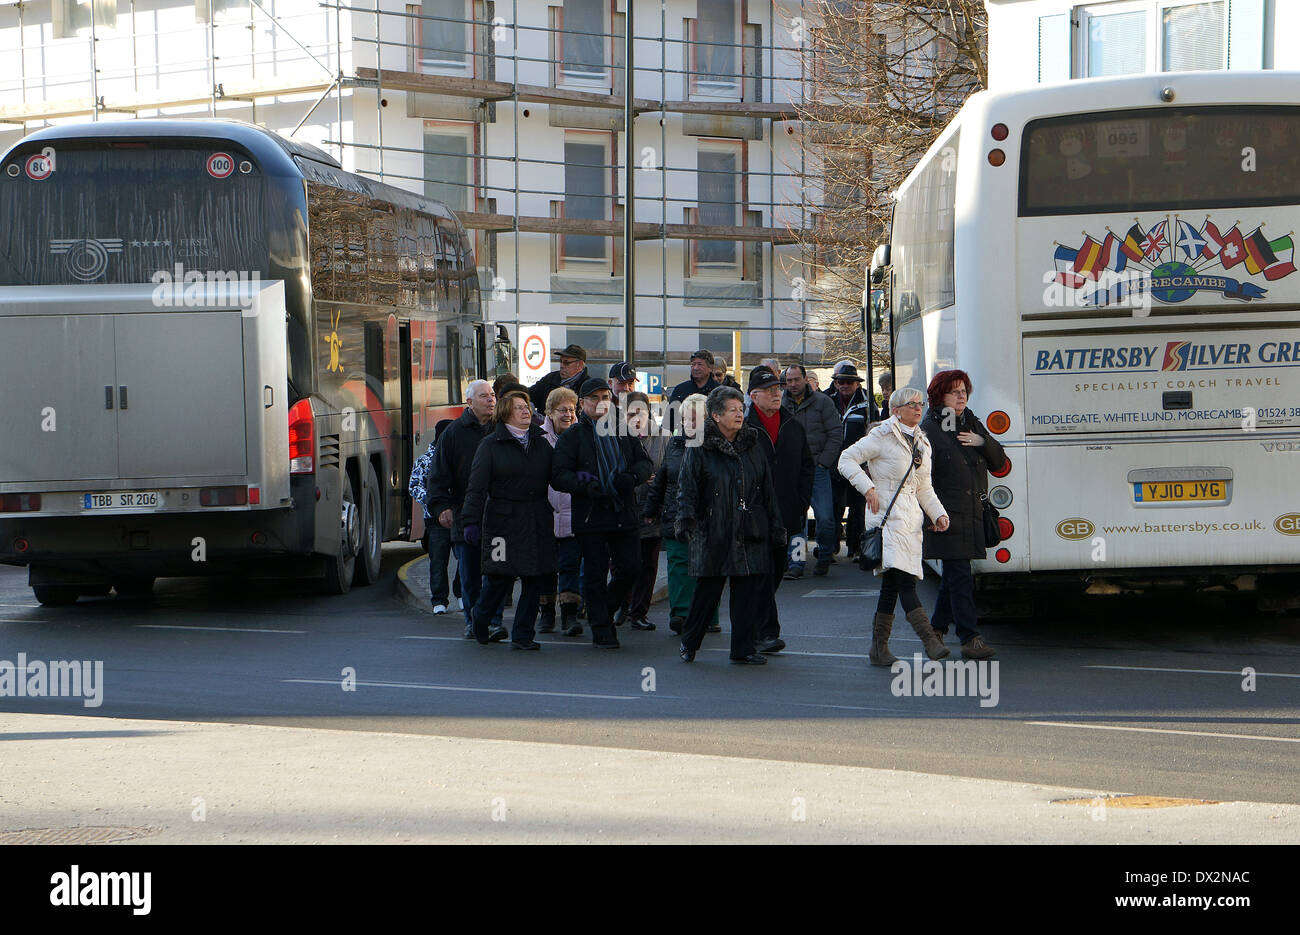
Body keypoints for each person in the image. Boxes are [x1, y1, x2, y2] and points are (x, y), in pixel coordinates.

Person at [838, 387, 951, 666]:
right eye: (912, 404)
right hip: (886, 518)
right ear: (896, 409)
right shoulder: (881, 435)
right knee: (904, 580)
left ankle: (878, 649)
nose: (918, 408)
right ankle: (930, 641)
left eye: (920, 403)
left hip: (910, 520)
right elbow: (846, 459)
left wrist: (938, 514)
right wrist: (868, 488)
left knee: (891, 585)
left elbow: (924, 486)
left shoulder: (922, 441)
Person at [676, 386, 786, 666]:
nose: (740, 414)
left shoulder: (753, 443)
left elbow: (767, 489)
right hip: (714, 530)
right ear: (716, 415)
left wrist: (775, 526)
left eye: (741, 409)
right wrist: (686, 520)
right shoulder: (699, 445)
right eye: (733, 410)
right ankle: (689, 642)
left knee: (747, 593)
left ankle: (743, 649)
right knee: (707, 593)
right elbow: (687, 488)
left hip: (751, 528)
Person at [550, 379, 652, 649]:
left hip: (623, 509)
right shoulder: (573, 436)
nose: (600, 402)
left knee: (631, 567)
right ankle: (601, 629)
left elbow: (645, 463)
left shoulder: (623, 431)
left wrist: (631, 477)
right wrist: (585, 485)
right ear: (582, 403)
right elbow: (559, 475)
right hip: (591, 513)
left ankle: (603, 611)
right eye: (593, 397)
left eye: (605, 396)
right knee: (595, 573)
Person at [462, 387, 557, 649]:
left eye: (527, 407)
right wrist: (470, 522)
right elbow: (476, 487)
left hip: (536, 519)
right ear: (506, 413)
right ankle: (480, 619)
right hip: (501, 523)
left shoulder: (541, 442)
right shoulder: (491, 445)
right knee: (498, 577)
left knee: (534, 578)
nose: (526, 411)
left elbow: (557, 475)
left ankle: (523, 635)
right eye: (519, 407)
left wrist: (579, 478)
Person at [920, 370, 1005, 661]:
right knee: (960, 576)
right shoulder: (929, 429)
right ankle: (970, 637)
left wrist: (982, 442)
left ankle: (936, 629)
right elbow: (921, 480)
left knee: (953, 576)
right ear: (939, 396)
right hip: (945, 516)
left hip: (972, 514)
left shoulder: (970, 420)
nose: (961, 397)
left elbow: (999, 460)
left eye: (964, 391)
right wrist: (930, 515)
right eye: (954, 392)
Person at [427, 380, 506, 640]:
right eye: (484, 396)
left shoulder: (504, 429)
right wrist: (441, 507)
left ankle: (493, 621)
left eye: (493, 395)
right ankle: (473, 621)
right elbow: (438, 475)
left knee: (497, 569)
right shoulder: (453, 433)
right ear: (469, 402)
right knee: (470, 574)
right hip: (465, 516)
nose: (491, 400)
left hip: (499, 517)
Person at [745, 367, 812, 654]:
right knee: (762, 572)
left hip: (786, 512)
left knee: (775, 571)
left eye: (778, 388)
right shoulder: (744, 430)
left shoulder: (792, 425)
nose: (776, 393)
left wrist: (800, 502)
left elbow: (807, 467)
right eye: (769, 389)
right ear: (753, 395)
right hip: (755, 515)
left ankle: (756, 625)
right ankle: (765, 632)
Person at [642, 393, 717, 636]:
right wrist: (651, 510)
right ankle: (681, 614)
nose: (689, 424)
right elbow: (662, 478)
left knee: (706, 567)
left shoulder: (716, 445)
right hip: (676, 514)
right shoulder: (675, 444)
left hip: (707, 517)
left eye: (695, 419)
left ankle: (707, 616)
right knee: (677, 564)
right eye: (686, 419)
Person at [612, 391, 669, 630]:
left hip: (651, 511)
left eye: (640, 412)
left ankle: (639, 611)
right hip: (622, 510)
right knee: (621, 563)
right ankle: (621, 605)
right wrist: (636, 478)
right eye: (630, 412)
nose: (636, 418)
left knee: (648, 564)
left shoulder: (663, 438)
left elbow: (671, 469)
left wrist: (658, 480)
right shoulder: (616, 438)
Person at [782, 363, 843, 578]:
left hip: (818, 469)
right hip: (793, 472)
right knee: (796, 520)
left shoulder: (823, 402)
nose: (792, 384)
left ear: (805, 379)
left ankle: (825, 554)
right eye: (789, 381)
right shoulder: (781, 403)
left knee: (825, 518)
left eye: (796, 379)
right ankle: (796, 564)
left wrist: (824, 462)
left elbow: (836, 434)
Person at [540, 387, 582, 637]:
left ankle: (569, 614)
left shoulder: (580, 437)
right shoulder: (538, 438)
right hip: (544, 514)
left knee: (569, 566)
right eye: (562, 410)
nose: (568, 414)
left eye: (571, 409)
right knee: (545, 566)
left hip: (572, 513)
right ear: (549, 412)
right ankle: (546, 614)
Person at [409, 418, 455, 614]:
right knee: (438, 560)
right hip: (435, 519)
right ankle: (439, 601)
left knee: (465, 559)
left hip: (459, 515)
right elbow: (414, 486)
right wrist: (432, 502)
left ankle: (461, 594)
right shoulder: (425, 460)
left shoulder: (458, 458)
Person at [828, 363, 873, 561]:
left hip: (858, 464)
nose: (844, 385)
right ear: (836, 384)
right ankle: (831, 547)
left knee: (858, 507)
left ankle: (855, 547)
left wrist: (869, 464)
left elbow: (873, 433)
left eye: (849, 382)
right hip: (834, 463)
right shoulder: (828, 402)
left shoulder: (867, 403)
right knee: (834, 506)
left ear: (857, 384)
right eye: (841, 382)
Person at [666, 349, 719, 431]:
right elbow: (669, 421)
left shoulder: (719, 392)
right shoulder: (680, 390)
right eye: (693, 364)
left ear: (710, 368)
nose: (695, 368)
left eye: (700, 364)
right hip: (685, 438)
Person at [529, 343, 589, 413]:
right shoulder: (550, 379)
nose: (562, 366)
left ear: (580, 365)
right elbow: (530, 395)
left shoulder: (588, 386)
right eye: (560, 361)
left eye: (566, 363)